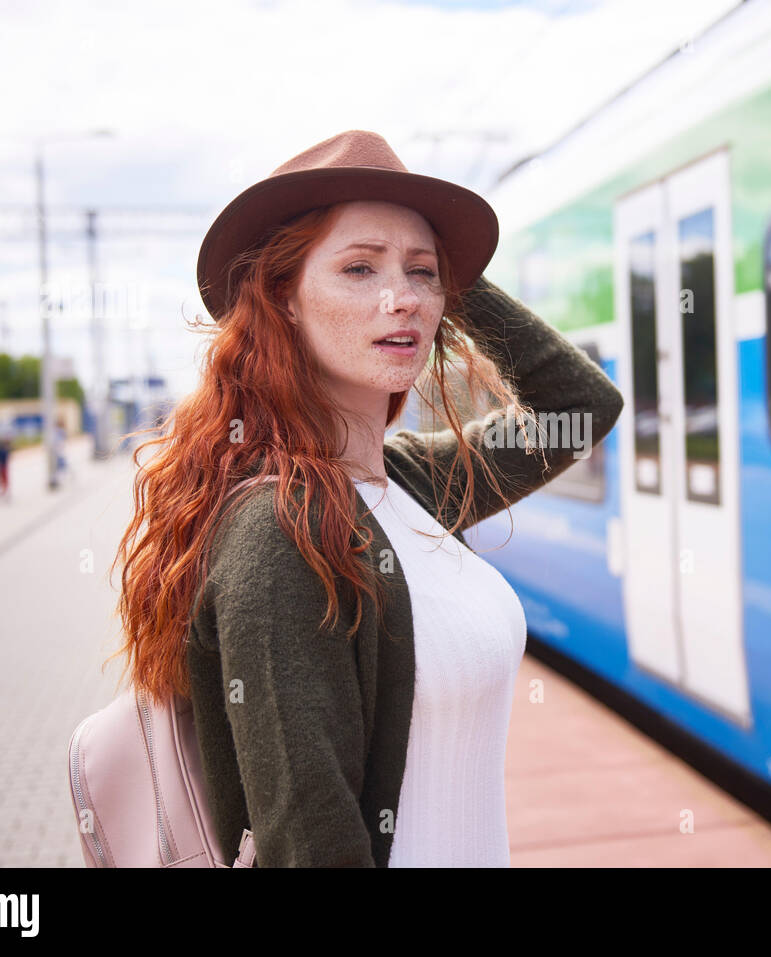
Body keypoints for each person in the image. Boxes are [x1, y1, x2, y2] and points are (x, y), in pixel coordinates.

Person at [107, 131, 624, 867]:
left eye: (423, 273)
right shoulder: (279, 532)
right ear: (282, 297)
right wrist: (418, 263)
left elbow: (579, 407)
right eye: (358, 268)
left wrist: (448, 276)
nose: (402, 298)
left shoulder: (404, 479)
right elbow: (310, 844)